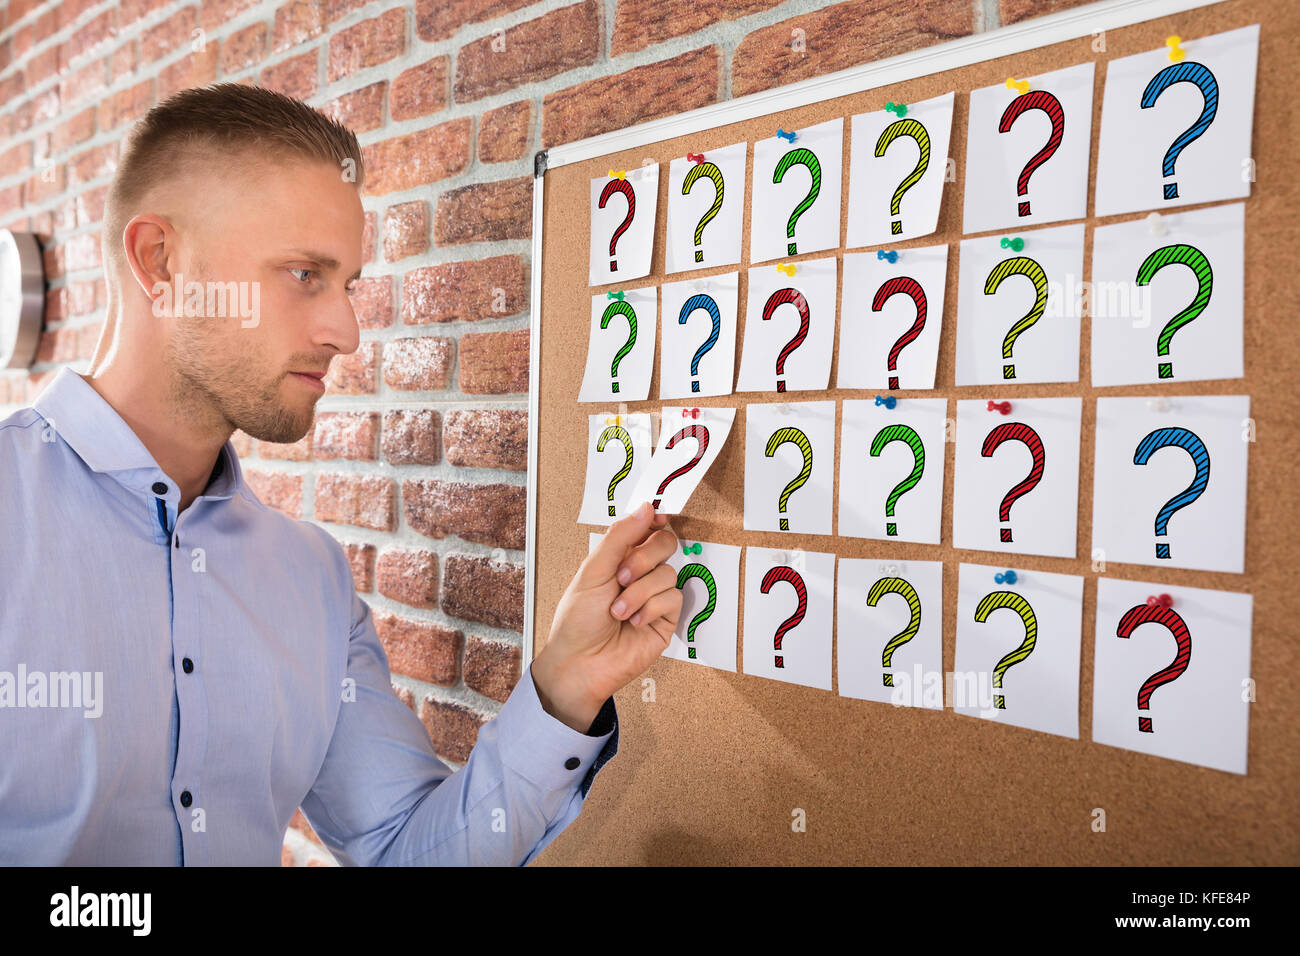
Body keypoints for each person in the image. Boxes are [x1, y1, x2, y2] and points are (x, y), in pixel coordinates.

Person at [0, 83, 682, 865]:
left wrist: (568, 683)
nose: (347, 330)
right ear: (161, 261)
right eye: (302, 275)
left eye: (347, 284)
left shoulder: (310, 579)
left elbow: (407, 852)